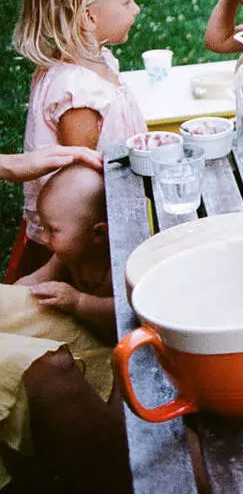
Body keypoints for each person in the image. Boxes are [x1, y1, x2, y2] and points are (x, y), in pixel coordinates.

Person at [1, 163, 128, 492]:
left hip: (120, 345)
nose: (43, 238)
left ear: (98, 234)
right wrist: (17, 295)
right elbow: (33, 283)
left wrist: (79, 302)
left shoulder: (116, 265)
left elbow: (125, 314)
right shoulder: (67, 257)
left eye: (52, 230)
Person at [12, 0, 147, 247]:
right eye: (127, 2)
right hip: (80, 235)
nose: (136, 8)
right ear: (89, 18)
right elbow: (78, 181)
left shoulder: (97, 59)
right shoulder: (78, 92)